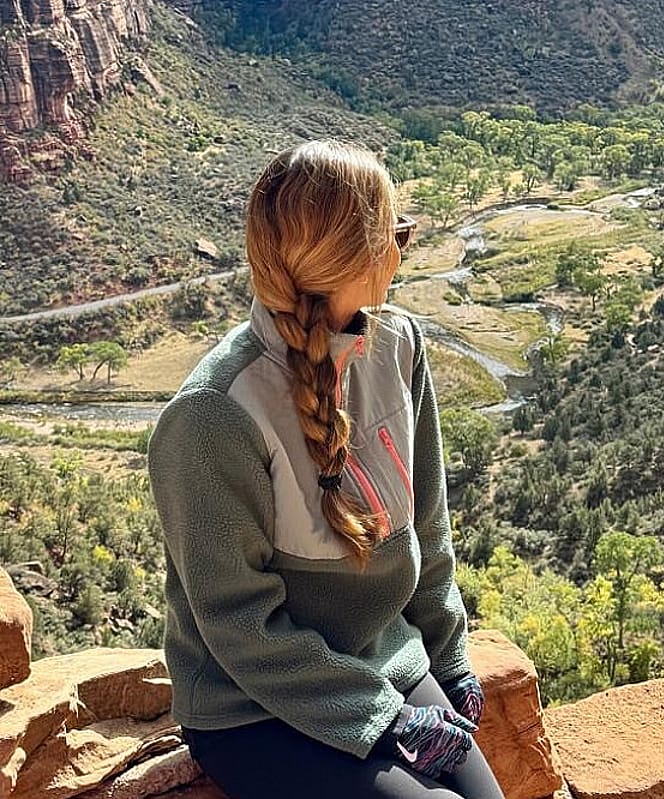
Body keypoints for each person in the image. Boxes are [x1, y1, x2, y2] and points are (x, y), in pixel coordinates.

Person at [147, 140, 505, 799]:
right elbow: (237, 624)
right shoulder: (214, 414)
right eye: (399, 231)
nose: (404, 245)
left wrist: (450, 662)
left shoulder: (399, 348)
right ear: (367, 258)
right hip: (253, 706)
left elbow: (428, 524)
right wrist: (387, 716)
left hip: (384, 657)